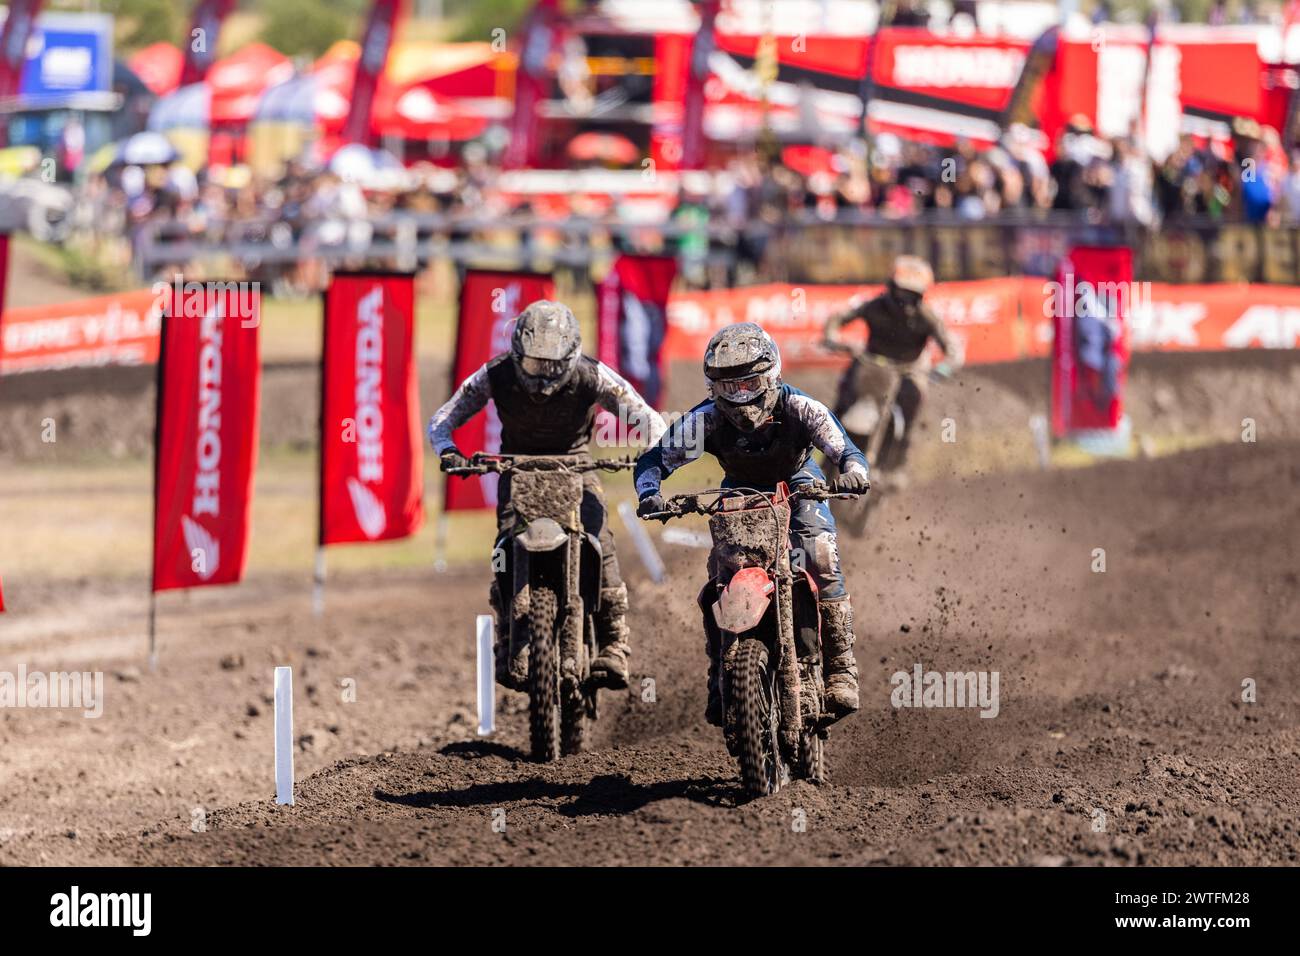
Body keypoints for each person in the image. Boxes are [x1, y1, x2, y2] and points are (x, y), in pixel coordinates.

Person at [634, 323, 870, 722]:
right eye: (730, 387)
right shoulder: (705, 421)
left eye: (750, 383)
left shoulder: (800, 408)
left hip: (799, 484)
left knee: (821, 555)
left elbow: (846, 450)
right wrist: (650, 493)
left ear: (772, 375)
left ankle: (841, 669)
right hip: (740, 492)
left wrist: (852, 474)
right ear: (715, 388)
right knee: (720, 577)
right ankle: (718, 676)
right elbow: (654, 460)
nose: (742, 396)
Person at [429, 301, 666, 690]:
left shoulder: (594, 375)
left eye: (553, 367)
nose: (543, 377)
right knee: (504, 548)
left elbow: (649, 419)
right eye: (535, 366)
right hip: (516, 467)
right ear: (518, 353)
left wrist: (650, 452)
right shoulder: (495, 374)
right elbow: (442, 420)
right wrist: (449, 452)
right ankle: (507, 636)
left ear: (571, 357)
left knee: (601, 542)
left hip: (575, 465)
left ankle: (614, 642)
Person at [822, 255, 961, 481]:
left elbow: (952, 347)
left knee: (911, 400)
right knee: (844, 397)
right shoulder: (874, 306)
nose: (906, 300)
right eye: (902, 292)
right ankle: (825, 455)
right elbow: (838, 318)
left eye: (913, 294)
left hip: (911, 369)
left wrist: (944, 368)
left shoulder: (927, 317)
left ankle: (896, 466)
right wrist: (833, 339)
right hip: (871, 363)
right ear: (891, 287)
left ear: (922, 295)